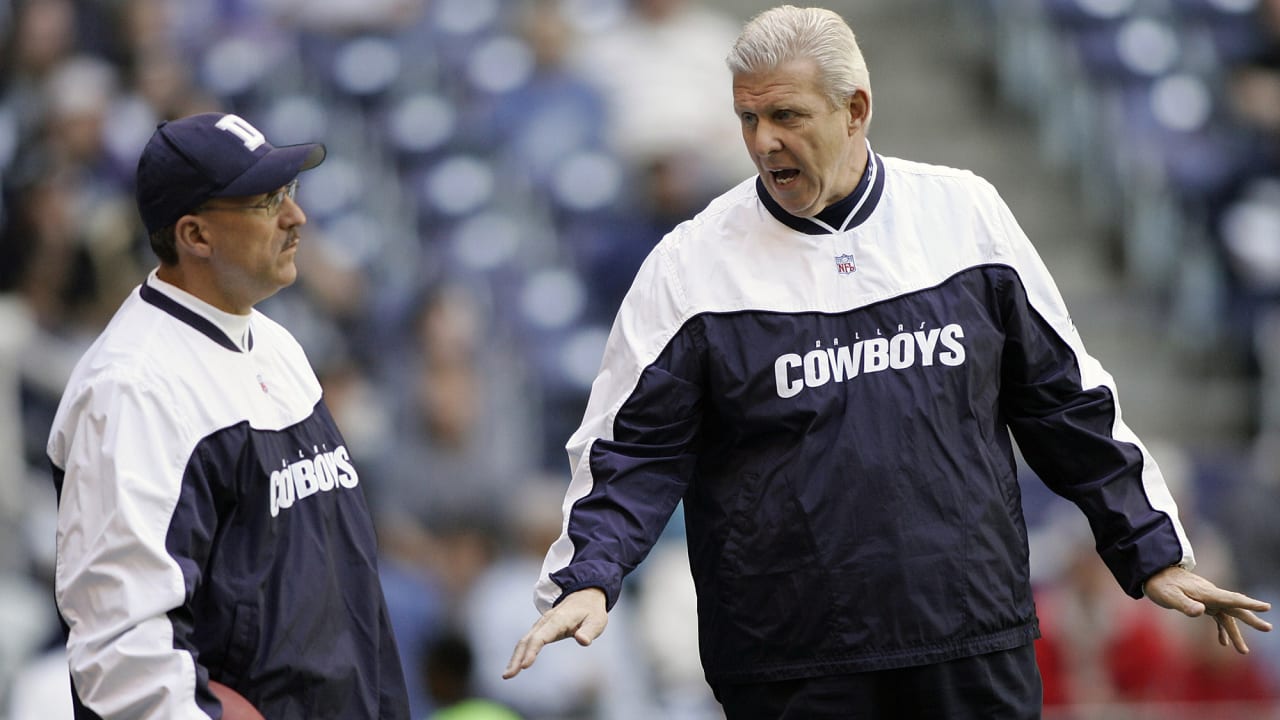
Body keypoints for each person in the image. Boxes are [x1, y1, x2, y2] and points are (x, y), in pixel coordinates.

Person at [504, 6, 1272, 718]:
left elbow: (1065, 399)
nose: (764, 140)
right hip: (790, 666)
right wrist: (588, 576)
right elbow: (631, 448)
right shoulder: (690, 268)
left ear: (856, 110)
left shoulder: (964, 217)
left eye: (787, 116)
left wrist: (1152, 552)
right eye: (748, 118)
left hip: (970, 645)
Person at [46, 112, 410, 719]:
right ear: (195, 234)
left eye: (288, 193)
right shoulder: (131, 390)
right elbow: (122, 653)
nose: (296, 218)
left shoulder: (274, 343)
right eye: (267, 202)